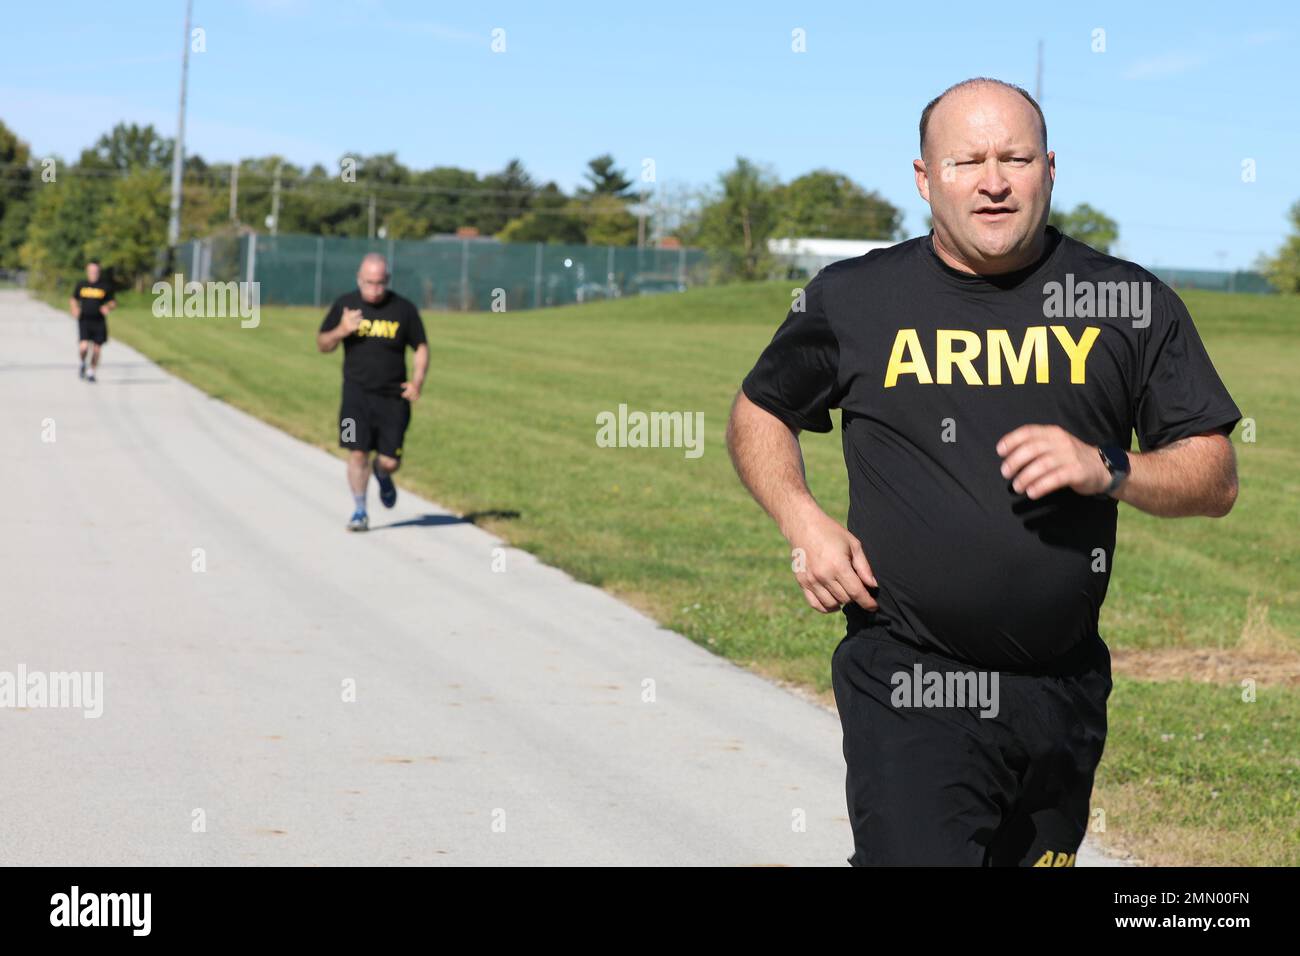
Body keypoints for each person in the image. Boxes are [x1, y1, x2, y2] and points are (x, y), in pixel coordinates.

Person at [727, 77, 1241, 866]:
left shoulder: (1126, 302)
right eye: (967, 161)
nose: (994, 181)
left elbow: (1214, 478)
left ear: (1051, 169)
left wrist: (1109, 468)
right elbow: (758, 411)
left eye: (1016, 157)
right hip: (912, 679)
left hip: (1060, 691)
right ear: (925, 178)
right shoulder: (855, 298)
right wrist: (802, 519)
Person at [316, 253, 428, 532]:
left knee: (390, 461)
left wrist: (417, 381)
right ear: (359, 278)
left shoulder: (403, 309)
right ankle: (360, 510)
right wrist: (342, 329)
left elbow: (421, 347)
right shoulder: (346, 305)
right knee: (357, 452)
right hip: (356, 395)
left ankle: (382, 474)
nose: (374, 290)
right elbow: (322, 344)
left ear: (387, 281)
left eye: (379, 283)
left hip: (393, 398)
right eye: (369, 283)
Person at [69, 260, 115, 382]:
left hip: (99, 321)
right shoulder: (81, 284)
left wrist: (108, 307)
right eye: (91, 271)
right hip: (84, 320)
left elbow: (113, 302)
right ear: (87, 271)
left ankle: (91, 372)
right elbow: (73, 299)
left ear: (99, 272)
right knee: (83, 347)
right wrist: (74, 308)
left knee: (96, 349)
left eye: (96, 271)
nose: (93, 273)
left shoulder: (105, 286)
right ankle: (83, 363)